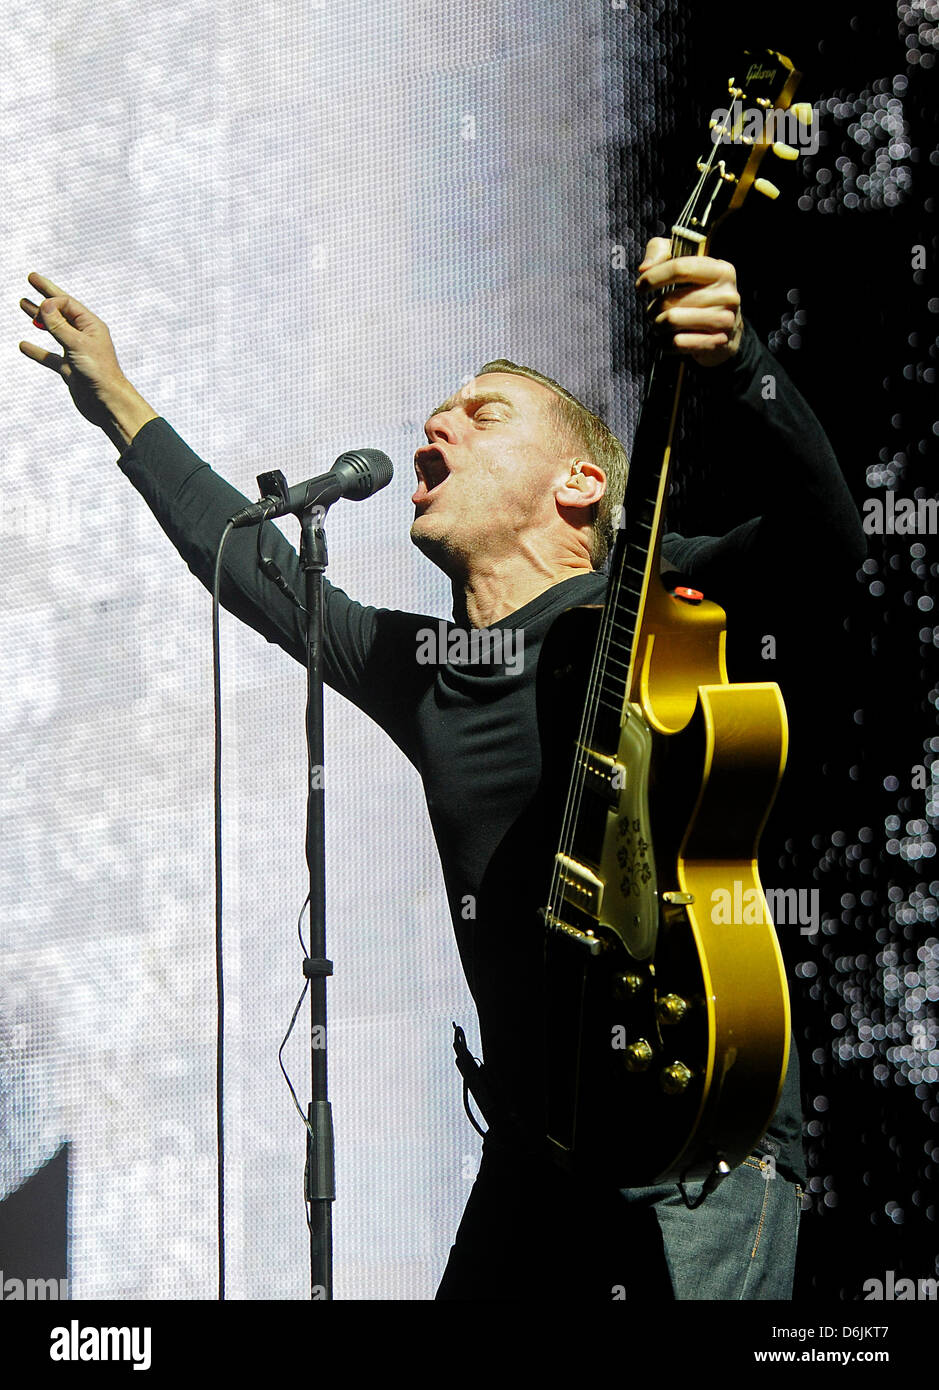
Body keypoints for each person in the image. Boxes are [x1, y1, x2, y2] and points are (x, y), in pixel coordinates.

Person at [18, 241, 865, 1299]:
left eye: (484, 413)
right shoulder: (430, 674)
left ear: (581, 484)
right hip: (529, 1162)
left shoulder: (660, 600)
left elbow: (826, 548)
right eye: (441, 411)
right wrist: (117, 400)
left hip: (692, 1155)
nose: (438, 422)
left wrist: (743, 368)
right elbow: (257, 568)